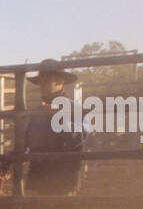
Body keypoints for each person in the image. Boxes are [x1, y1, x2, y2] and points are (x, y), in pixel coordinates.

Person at [11, 59, 89, 196]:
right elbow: (27, 140)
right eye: (41, 81)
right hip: (40, 170)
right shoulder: (37, 110)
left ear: (60, 82)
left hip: (63, 172)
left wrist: (56, 116)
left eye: (47, 81)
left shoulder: (74, 108)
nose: (42, 85)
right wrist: (10, 158)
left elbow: (77, 138)